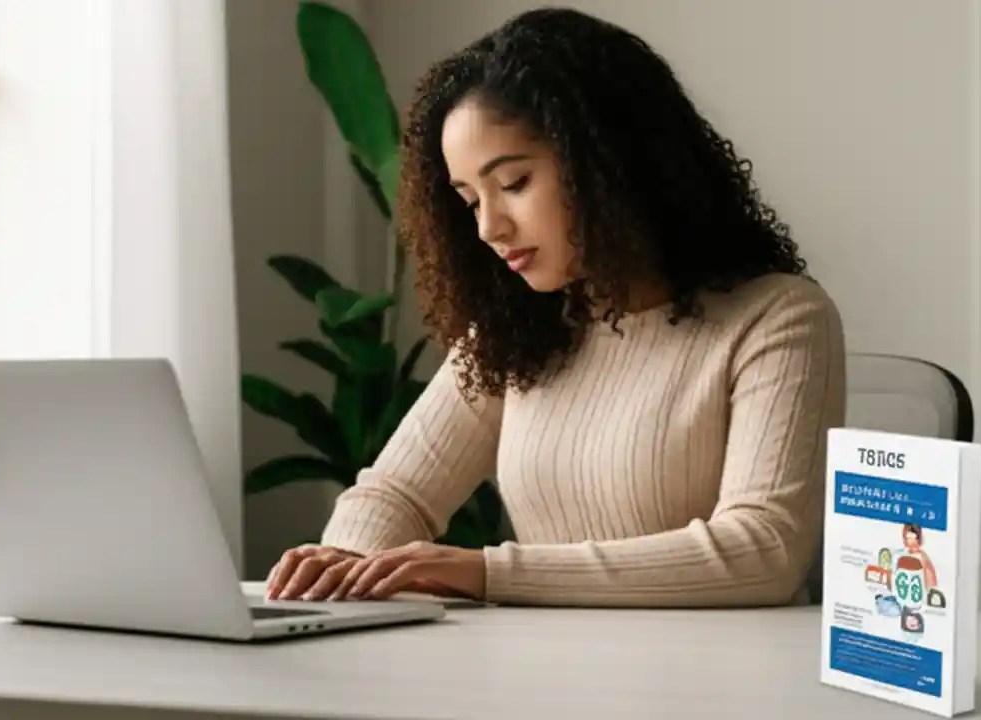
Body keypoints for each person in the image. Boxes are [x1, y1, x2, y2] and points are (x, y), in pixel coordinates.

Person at [266, 7, 846, 608]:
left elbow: (762, 552)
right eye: (469, 201)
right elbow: (394, 492)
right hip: (542, 677)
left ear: (610, 162)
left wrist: (487, 573)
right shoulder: (522, 330)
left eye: (514, 183)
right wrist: (346, 563)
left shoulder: (779, 318)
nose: (489, 227)